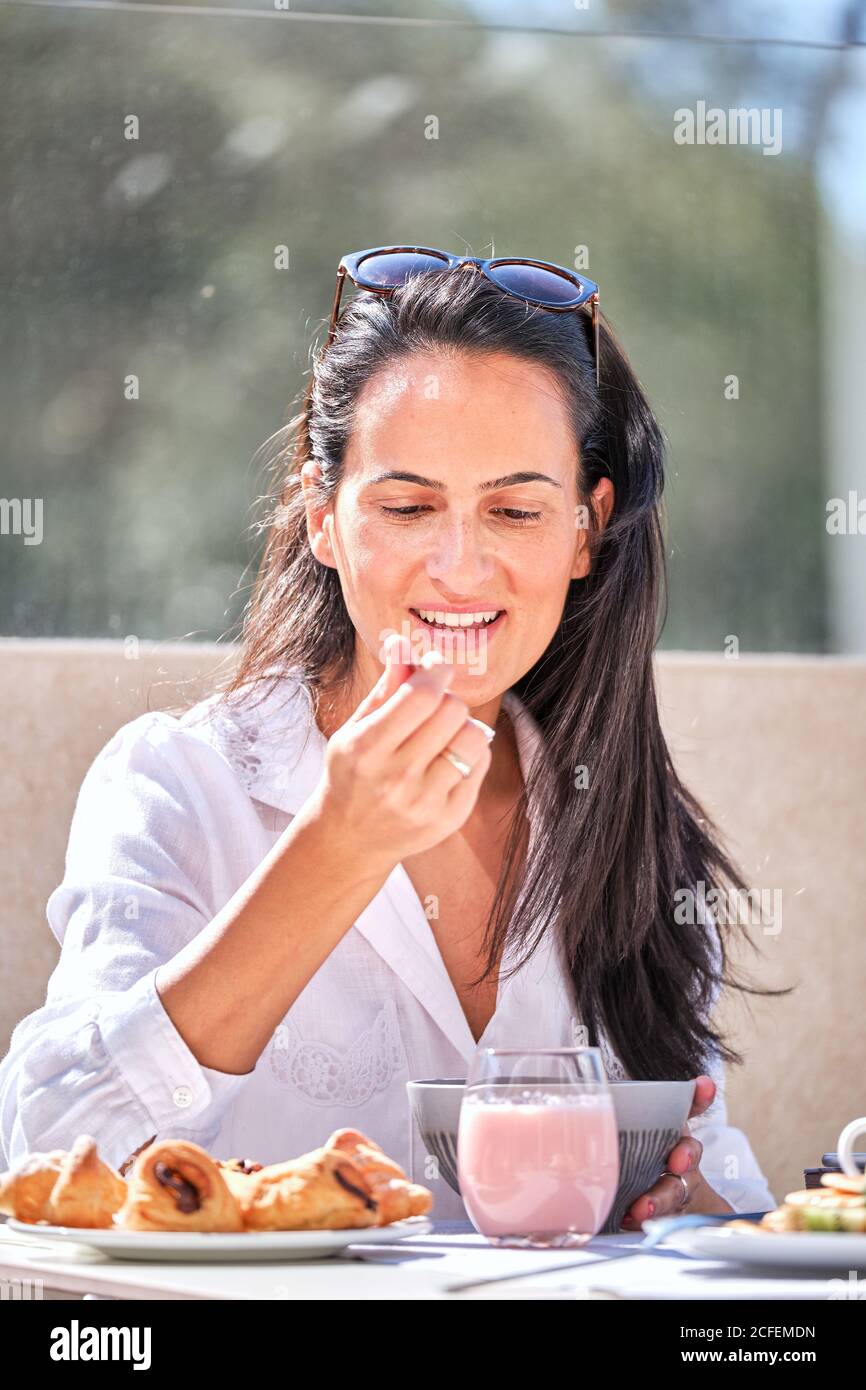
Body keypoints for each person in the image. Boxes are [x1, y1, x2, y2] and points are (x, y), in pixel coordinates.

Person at [0, 247, 782, 1224]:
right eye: (407, 506)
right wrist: (337, 850)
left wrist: (683, 1201)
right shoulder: (180, 784)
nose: (459, 566)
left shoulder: (622, 815)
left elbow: (719, 1194)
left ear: (583, 531)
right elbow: (48, 1151)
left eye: (514, 509)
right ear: (321, 512)